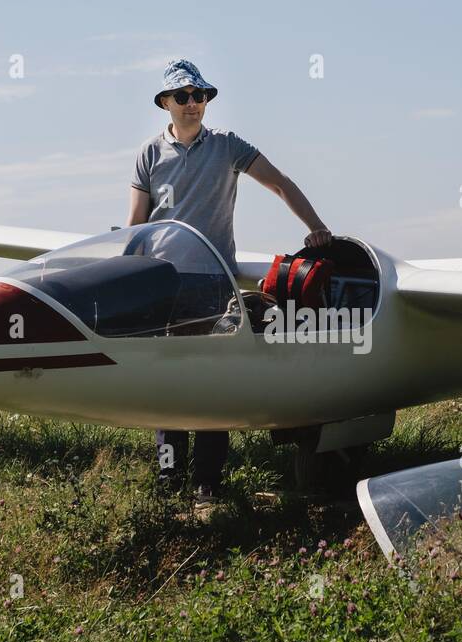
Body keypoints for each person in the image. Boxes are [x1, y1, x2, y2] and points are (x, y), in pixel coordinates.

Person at [129, 59, 332, 506]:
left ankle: (207, 484)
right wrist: (131, 279)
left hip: (211, 283)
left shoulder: (227, 146)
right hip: (163, 284)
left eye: (199, 96)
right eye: (182, 96)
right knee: (167, 388)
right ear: (165, 103)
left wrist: (316, 228)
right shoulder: (149, 153)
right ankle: (168, 480)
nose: (192, 104)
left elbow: (279, 183)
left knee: (210, 384)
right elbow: (136, 226)